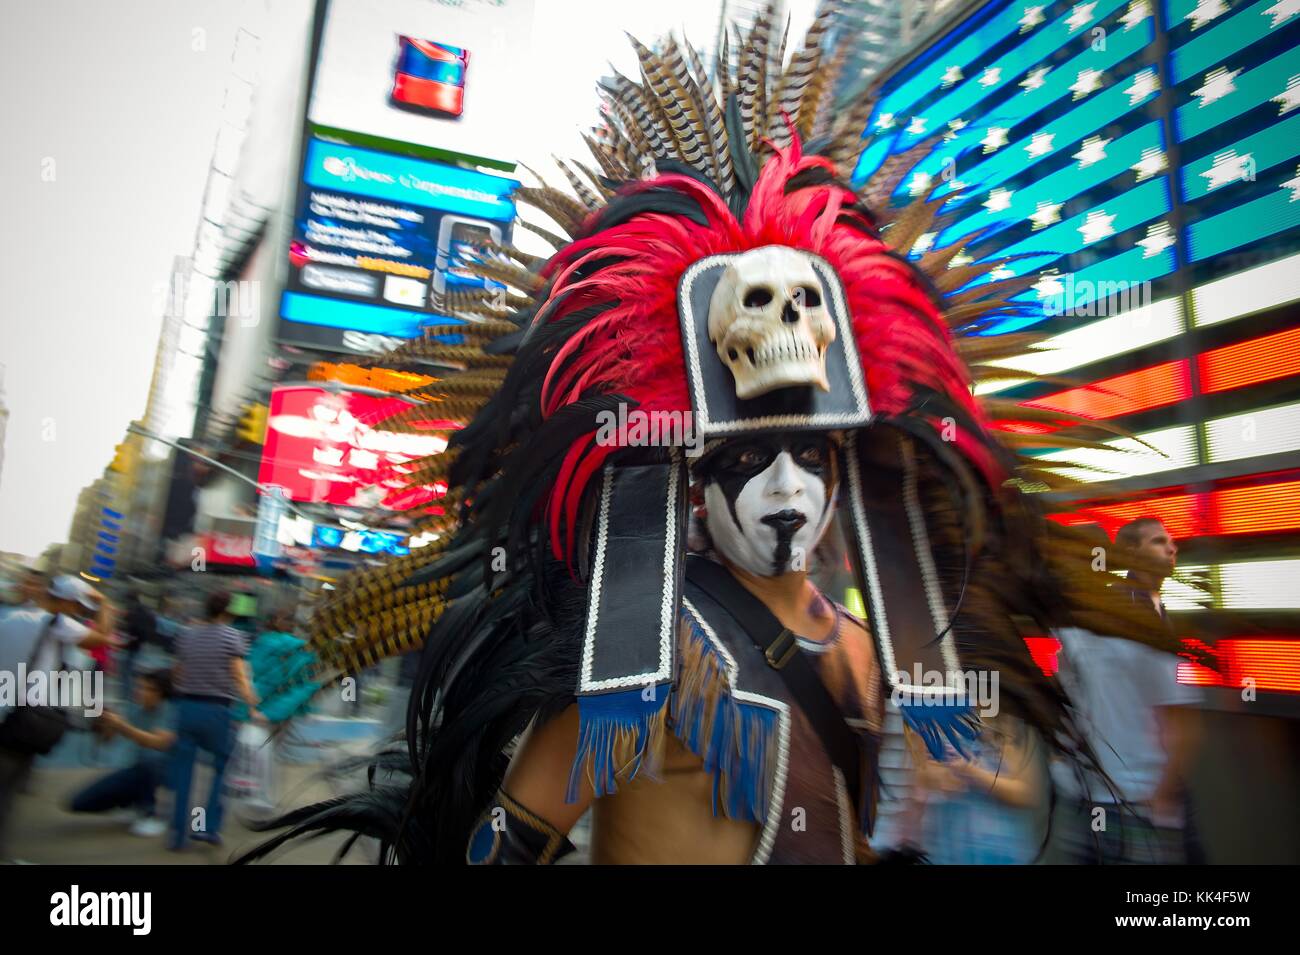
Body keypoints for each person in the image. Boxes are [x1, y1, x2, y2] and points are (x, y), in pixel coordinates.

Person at [240, 5, 1179, 866]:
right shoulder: (627, 657)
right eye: (742, 457)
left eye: (810, 456)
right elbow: (503, 847)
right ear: (690, 473)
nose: (786, 486)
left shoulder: (870, 650)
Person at [1050, 517, 1202, 864]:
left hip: (1137, 796)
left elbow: (1181, 721)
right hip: (1092, 795)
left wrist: (1162, 793)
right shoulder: (1069, 629)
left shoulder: (1139, 624)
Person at [0, 575, 119, 861]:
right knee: (6, 789)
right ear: (64, 601)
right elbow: (102, 637)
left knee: (8, 789)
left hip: (8, 712)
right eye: (78, 607)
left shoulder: (11, 617)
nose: (79, 613)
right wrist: (105, 603)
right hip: (21, 721)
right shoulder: (57, 624)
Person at [168, 591, 261, 851]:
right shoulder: (233, 636)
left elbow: (177, 671)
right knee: (221, 769)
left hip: (187, 707)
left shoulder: (187, 634)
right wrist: (252, 703)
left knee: (184, 770)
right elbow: (240, 676)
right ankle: (208, 829)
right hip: (217, 711)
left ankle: (178, 835)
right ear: (228, 612)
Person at [902, 716, 1047, 865]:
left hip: (999, 850)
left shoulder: (1009, 722)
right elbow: (922, 784)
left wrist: (972, 773)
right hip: (946, 848)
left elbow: (1027, 794)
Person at [68, 669, 175, 836]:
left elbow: (158, 742)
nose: (140, 692)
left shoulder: (170, 710)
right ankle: (132, 805)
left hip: (165, 772)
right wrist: (104, 722)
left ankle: (152, 814)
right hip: (136, 770)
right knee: (79, 803)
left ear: (161, 693)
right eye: (139, 687)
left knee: (150, 762)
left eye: (147, 689)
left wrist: (122, 725)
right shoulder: (135, 709)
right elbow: (107, 740)